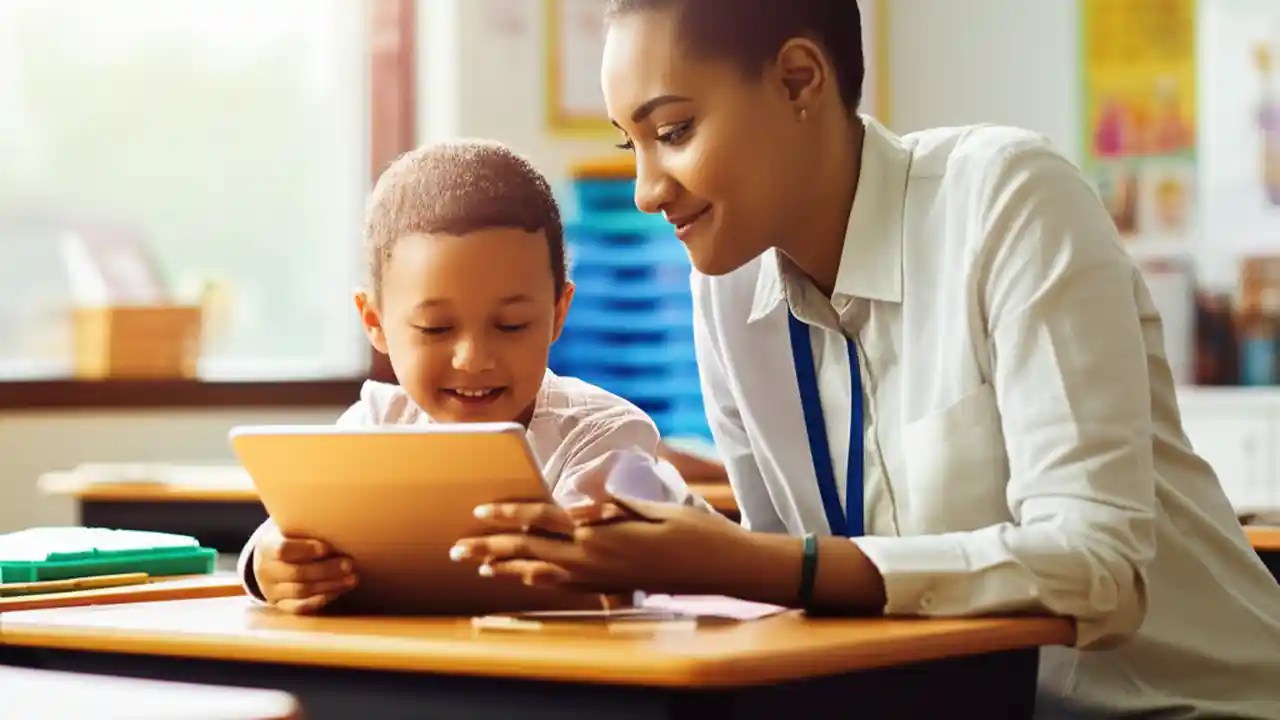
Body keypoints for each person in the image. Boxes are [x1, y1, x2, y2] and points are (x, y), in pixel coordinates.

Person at [451, 1, 1280, 716]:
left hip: (1186, 706)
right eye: (631, 144)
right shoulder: (727, 286)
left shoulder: (1006, 199)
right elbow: (792, 584)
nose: (645, 189)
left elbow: (1095, 565)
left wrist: (750, 561)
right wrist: (624, 548)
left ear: (799, 81)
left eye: (673, 132)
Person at [238, 139, 711, 614]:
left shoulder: (603, 435)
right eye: (435, 328)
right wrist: (270, 564)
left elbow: (595, 587)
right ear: (375, 322)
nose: (473, 359)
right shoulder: (375, 424)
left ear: (558, 313)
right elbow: (293, 531)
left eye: (511, 325)